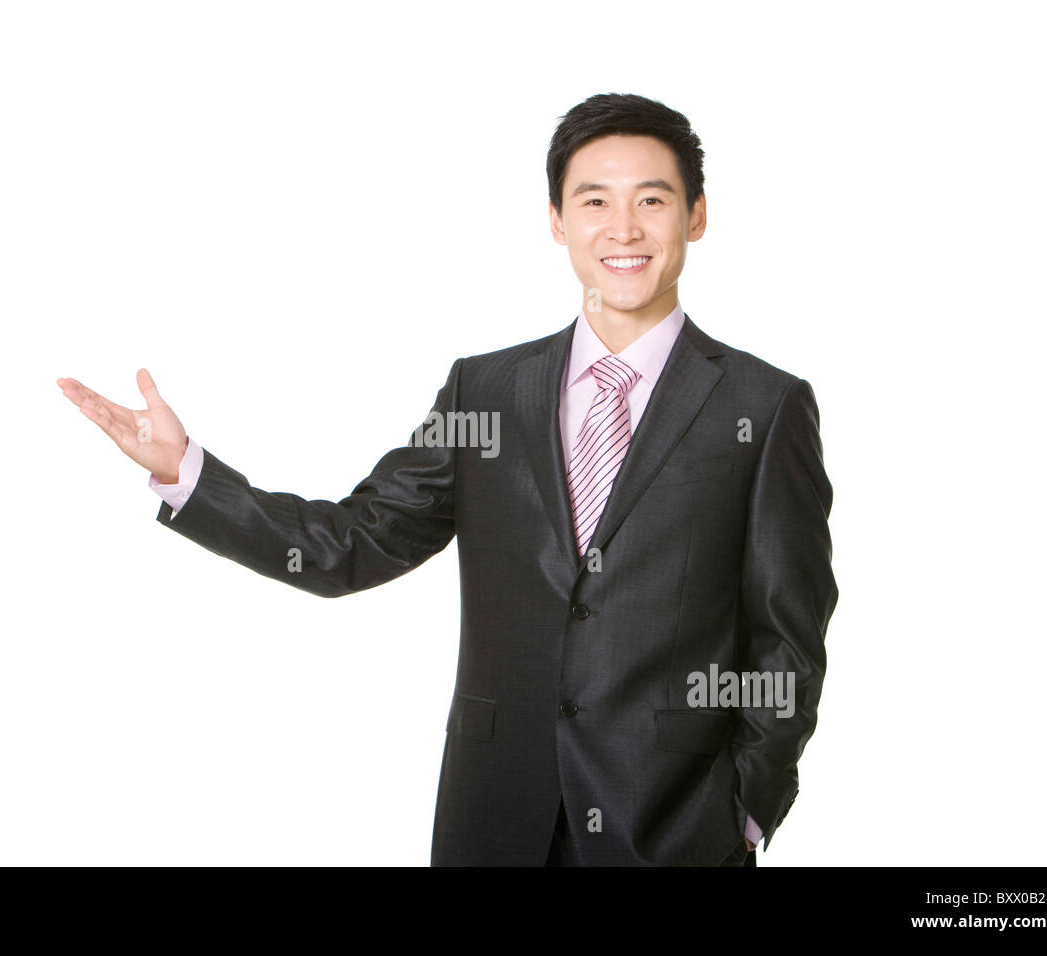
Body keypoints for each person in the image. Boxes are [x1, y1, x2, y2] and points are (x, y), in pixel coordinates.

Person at [58, 92, 838, 866]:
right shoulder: (486, 395)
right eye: (594, 200)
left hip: (673, 834)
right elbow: (353, 544)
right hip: (493, 819)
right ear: (558, 221)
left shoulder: (762, 407)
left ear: (696, 215)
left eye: (652, 200)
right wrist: (188, 474)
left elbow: (788, 641)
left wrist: (744, 816)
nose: (623, 229)